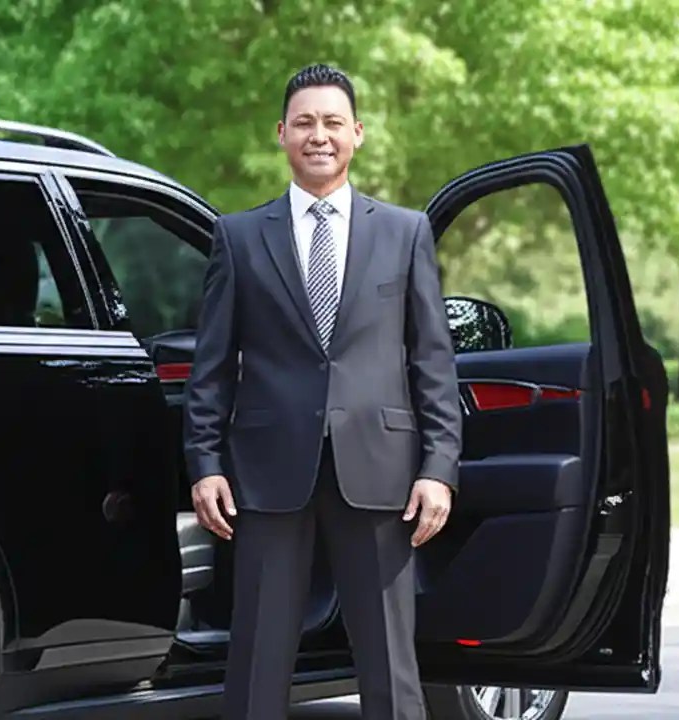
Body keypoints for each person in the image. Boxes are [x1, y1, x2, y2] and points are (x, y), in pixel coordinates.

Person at [182, 63, 463, 720]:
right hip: (267, 474)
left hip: (383, 474)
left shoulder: (406, 232)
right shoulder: (239, 237)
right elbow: (212, 368)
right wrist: (205, 465)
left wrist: (438, 470)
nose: (319, 135)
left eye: (333, 122)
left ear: (357, 134)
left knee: (391, 667)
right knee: (256, 663)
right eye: (304, 122)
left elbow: (432, 361)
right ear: (281, 133)